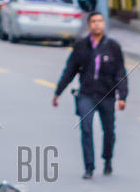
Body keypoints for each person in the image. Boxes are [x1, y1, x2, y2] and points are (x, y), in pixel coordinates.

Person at [52, 10, 128, 178]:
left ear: (104, 24)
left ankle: (107, 159)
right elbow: (70, 70)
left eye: (100, 21)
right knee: (86, 128)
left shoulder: (113, 46)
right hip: (86, 94)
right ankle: (89, 167)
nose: (97, 24)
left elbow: (120, 73)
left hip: (107, 95)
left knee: (109, 130)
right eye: (93, 21)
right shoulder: (81, 46)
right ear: (89, 25)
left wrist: (122, 97)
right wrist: (58, 92)